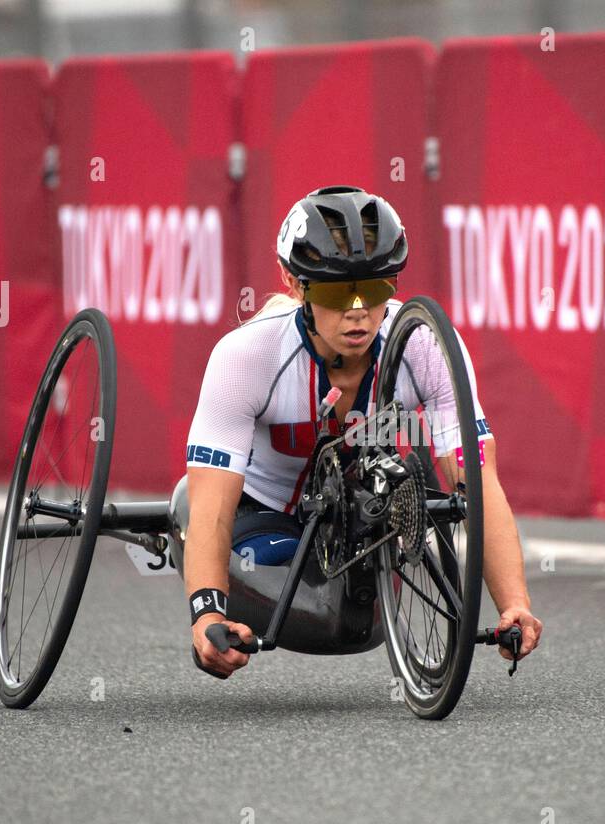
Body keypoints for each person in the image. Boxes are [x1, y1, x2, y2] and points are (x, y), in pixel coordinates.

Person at [173, 184, 542, 679]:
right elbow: (213, 507)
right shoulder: (245, 358)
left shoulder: (426, 346)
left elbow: (476, 481)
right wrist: (207, 616)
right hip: (265, 515)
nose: (357, 310)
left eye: (374, 289)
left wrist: (513, 603)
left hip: (361, 521)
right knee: (322, 613)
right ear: (293, 283)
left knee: (351, 613)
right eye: (333, 291)